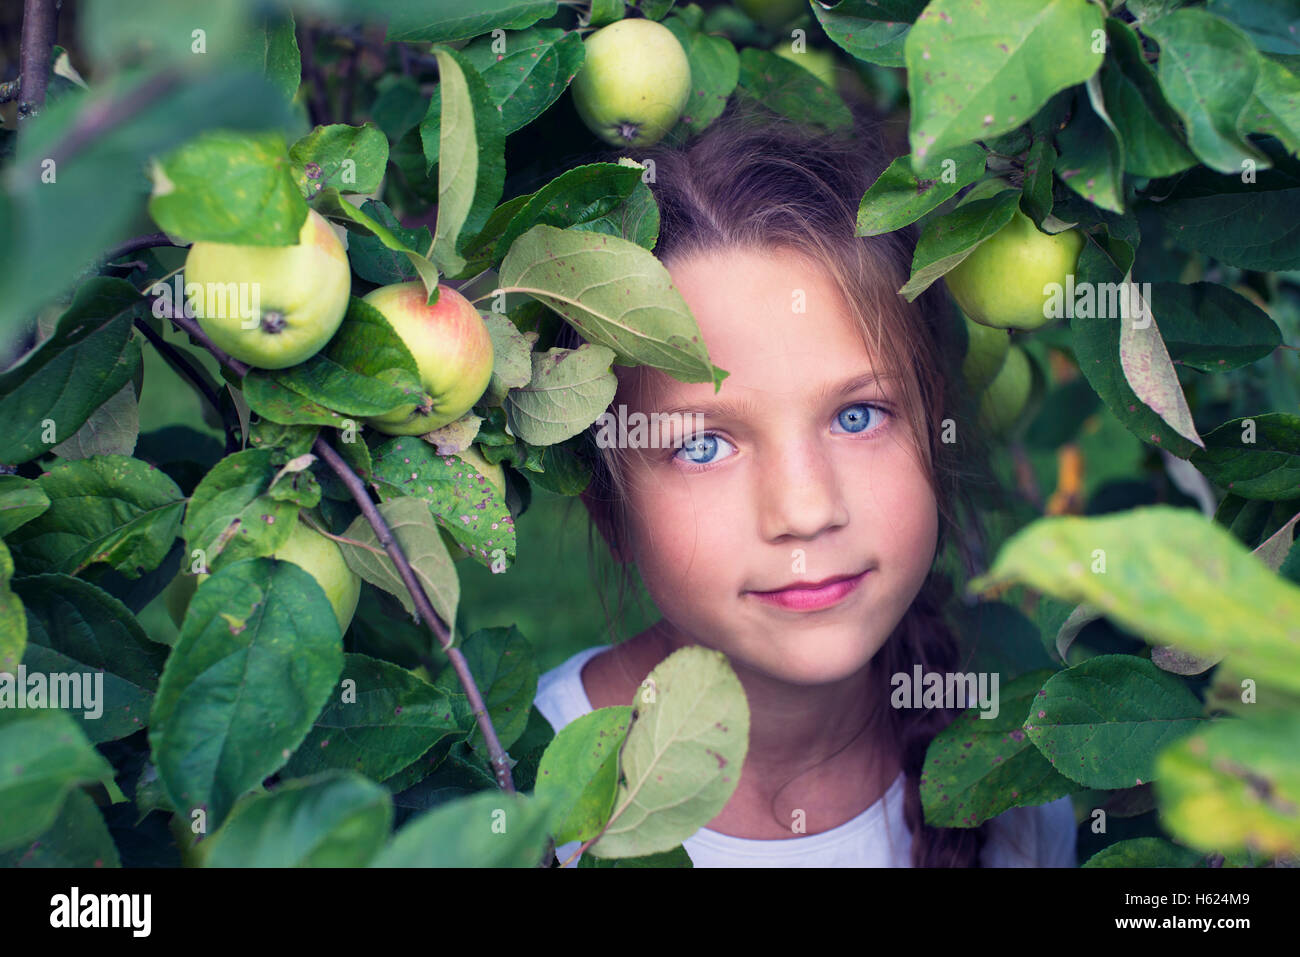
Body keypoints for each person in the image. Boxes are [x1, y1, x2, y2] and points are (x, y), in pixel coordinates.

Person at [533, 102, 1077, 867]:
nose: (807, 509)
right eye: (705, 444)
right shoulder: (518, 805)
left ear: (935, 424)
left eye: (858, 416)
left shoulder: (1015, 797)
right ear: (608, 501)